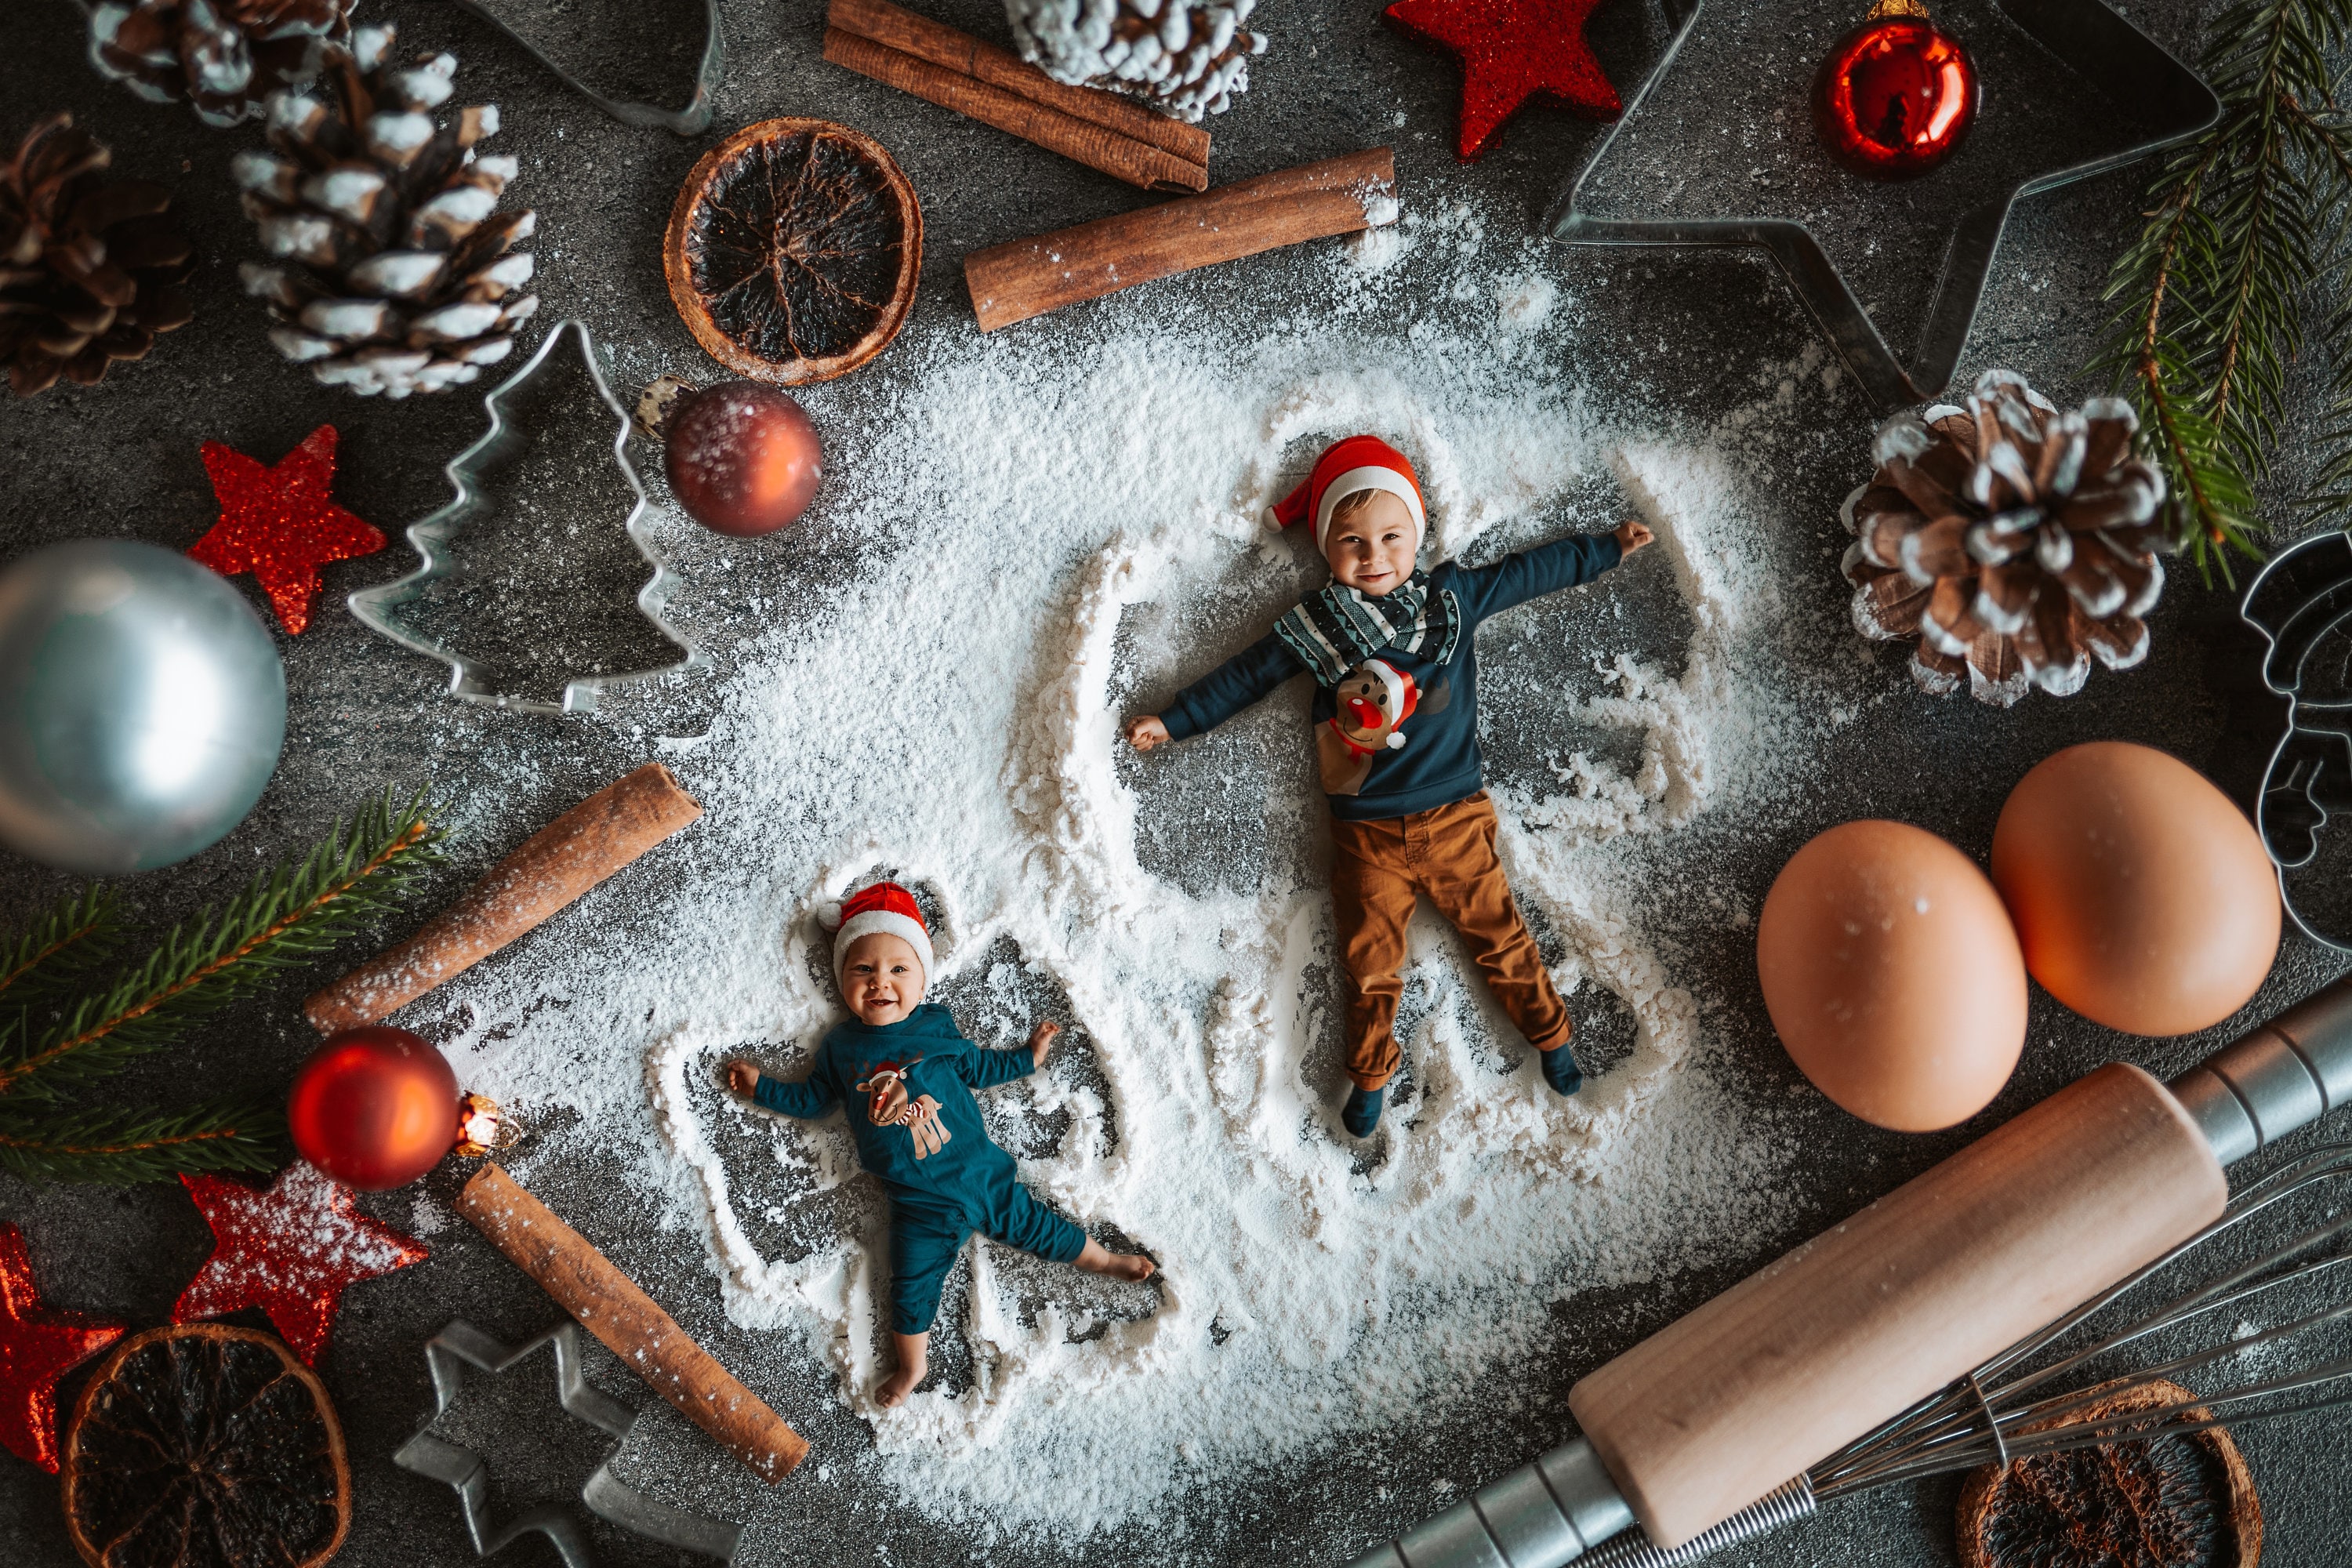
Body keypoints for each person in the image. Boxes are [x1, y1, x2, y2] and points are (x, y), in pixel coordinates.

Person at [1125, 435, 1653, 1137]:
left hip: (1454, 817)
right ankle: (1370, 1076)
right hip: (1365, 833)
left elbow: (1530, 573)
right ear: (1327, 547)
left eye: (1390, 537)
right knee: (1370, 966)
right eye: (1352, 541)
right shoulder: (1316, 627)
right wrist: (1175, 719)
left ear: (1417, 533)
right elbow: (1245, 676)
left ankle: (1552, 1038)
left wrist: (1606, 549)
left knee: (1501, 936)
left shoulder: (1450, 599)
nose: (1373, 556)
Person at [723, 881, 1154, 1406]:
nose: (880, 981)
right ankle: (912, 1367)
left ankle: (1106, 1262)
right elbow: (815, 1101)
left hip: (981, 1176)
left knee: (1044, 1230)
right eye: (863, 969)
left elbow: (979, 1067)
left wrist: (1028, 1058)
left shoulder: (936, 1029)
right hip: (917, 1203)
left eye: (898, 969)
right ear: (842, 978)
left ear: (922, 980)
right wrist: (763, 1088)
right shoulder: (841, 1048)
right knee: (909, 1286)